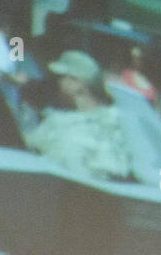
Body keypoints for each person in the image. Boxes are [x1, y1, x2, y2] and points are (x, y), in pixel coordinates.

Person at [25, 50, 133, 183]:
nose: (56, 83)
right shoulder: (60, 117)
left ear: (78, 83)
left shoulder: (114, 121)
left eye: (61, 78)